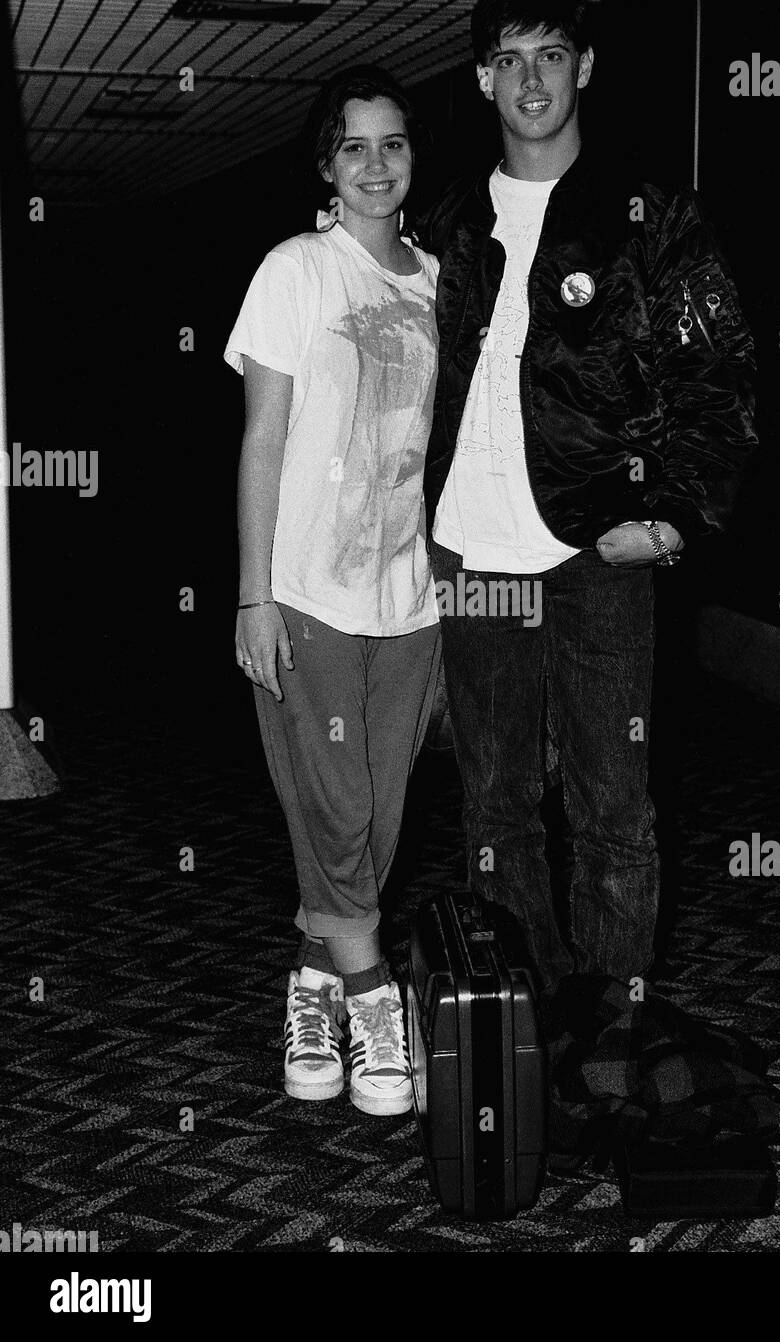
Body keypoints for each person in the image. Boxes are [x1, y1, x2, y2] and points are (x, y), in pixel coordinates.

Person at [420, 0, 758, 993]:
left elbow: (722, 371)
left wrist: (672, 517)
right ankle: (527, 1027)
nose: (531, 80)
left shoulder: (651, 216)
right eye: (509, 60)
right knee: (496, 805)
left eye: (551, 56)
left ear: (586, 67)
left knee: (613, 807)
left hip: (594, 548)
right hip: (474, 552)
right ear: (482, 80)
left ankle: (615, 1033)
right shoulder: (445, 225)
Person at [224, 67, 442, 1112]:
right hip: (307, 591)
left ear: (411, 157)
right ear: (326, 164)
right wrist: (251, 595)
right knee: (336, 806)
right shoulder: (295, 271)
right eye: (352, 146)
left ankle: (311, 975)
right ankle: (371, 1001)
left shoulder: (438, 284)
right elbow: (261, 440)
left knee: (377, 826)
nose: (374, 163)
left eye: (391, 143)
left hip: (409, 603)